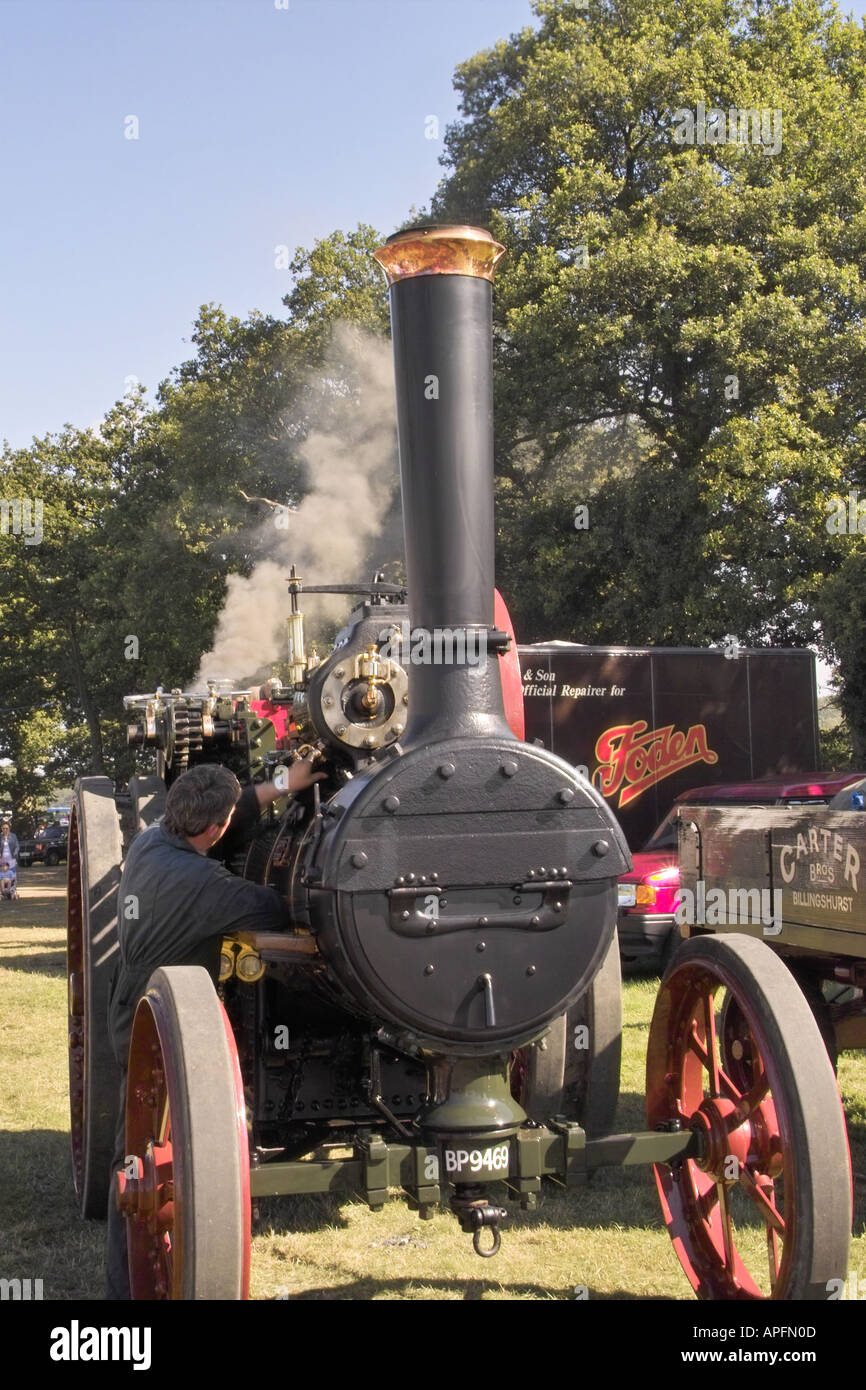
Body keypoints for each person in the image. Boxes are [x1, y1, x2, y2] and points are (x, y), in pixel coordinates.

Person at [106, 755, 325, 1300]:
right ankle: (124, 1287)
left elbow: (227, 814)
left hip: (128, 1007)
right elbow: (279, 907)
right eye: (228, 817)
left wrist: (284, 784)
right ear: (217, 828)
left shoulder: (150, 843)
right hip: (159, 1027)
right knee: (139, 1155)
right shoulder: (211, 889)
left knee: (134, 1145)